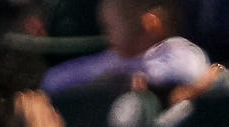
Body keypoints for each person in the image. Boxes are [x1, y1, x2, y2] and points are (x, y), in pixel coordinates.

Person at [41, 0, 214, 100]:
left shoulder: (172, 50)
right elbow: (55, 79)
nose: (106, 36)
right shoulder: (111, 59)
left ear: (150, 24)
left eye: (110, 28)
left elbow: (186, 72)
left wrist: (142, 79)